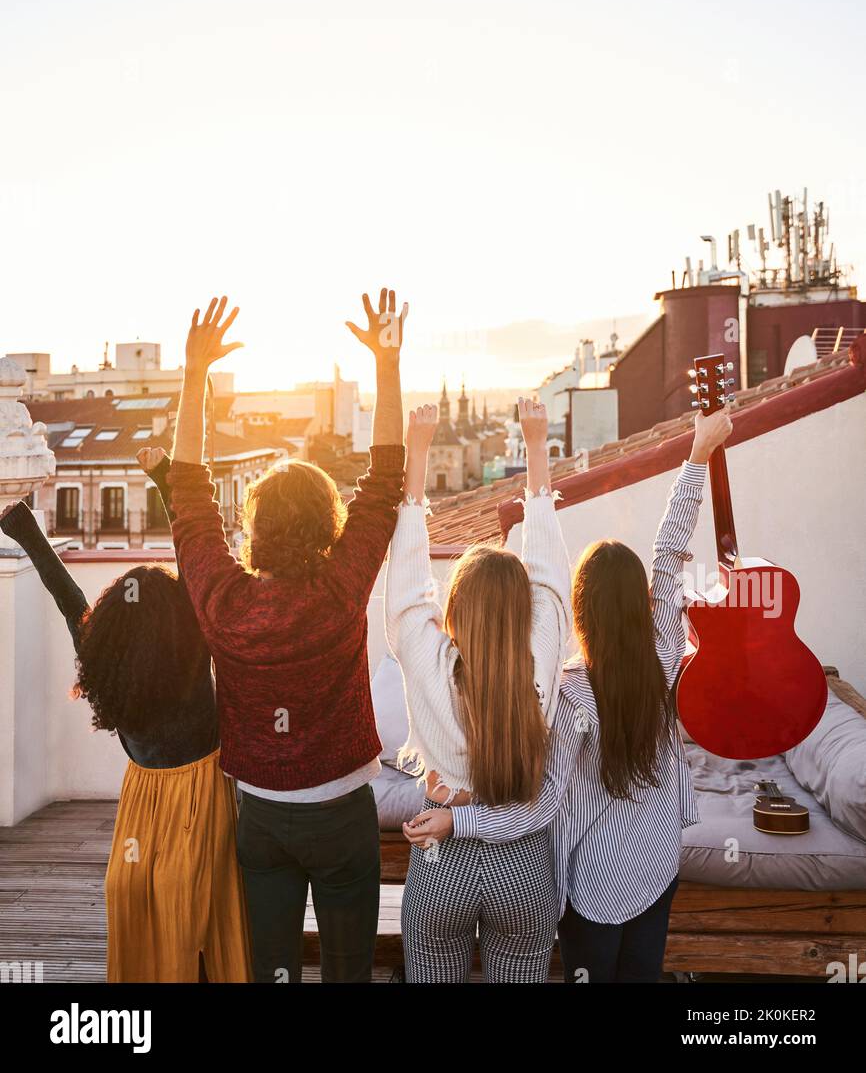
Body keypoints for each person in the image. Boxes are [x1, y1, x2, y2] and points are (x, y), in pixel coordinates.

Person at [404, 406, 733, 983]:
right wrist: (697, 456)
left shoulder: (573, 698)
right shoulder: (662, 661)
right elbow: (669, 554)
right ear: (643, 606)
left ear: (579, 614)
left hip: (592, 892)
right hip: (657, 871)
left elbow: (540, 806)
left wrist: (459, 818)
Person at [167, 290, 406, 983]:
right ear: (328, 526)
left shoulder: (223, 600)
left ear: (256, 528)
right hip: (341, 815)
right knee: (347, 971)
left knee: (272, 971)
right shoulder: (340, 591)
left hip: (262, 818)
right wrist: (387, 364)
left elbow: (186, 493)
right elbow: (385, 480)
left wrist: (193, 373)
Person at [0, 452, 251, 983]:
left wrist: (23, 528)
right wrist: (163, 480)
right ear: (179, 619)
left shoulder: (101, 651)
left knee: (140, 896)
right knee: (198, 901)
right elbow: (194, 559)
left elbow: (67, 596)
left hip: (143, 798)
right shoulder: (190, 645)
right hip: (202, 797)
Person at [385, 397, 571, 983]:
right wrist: (536, 445)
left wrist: (416, 455)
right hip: (523, 870)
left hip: (442, 864)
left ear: (455, 606)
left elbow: (410, 582)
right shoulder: (541, 655)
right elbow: (547, 571)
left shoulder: (427, 656)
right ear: (525, 609)